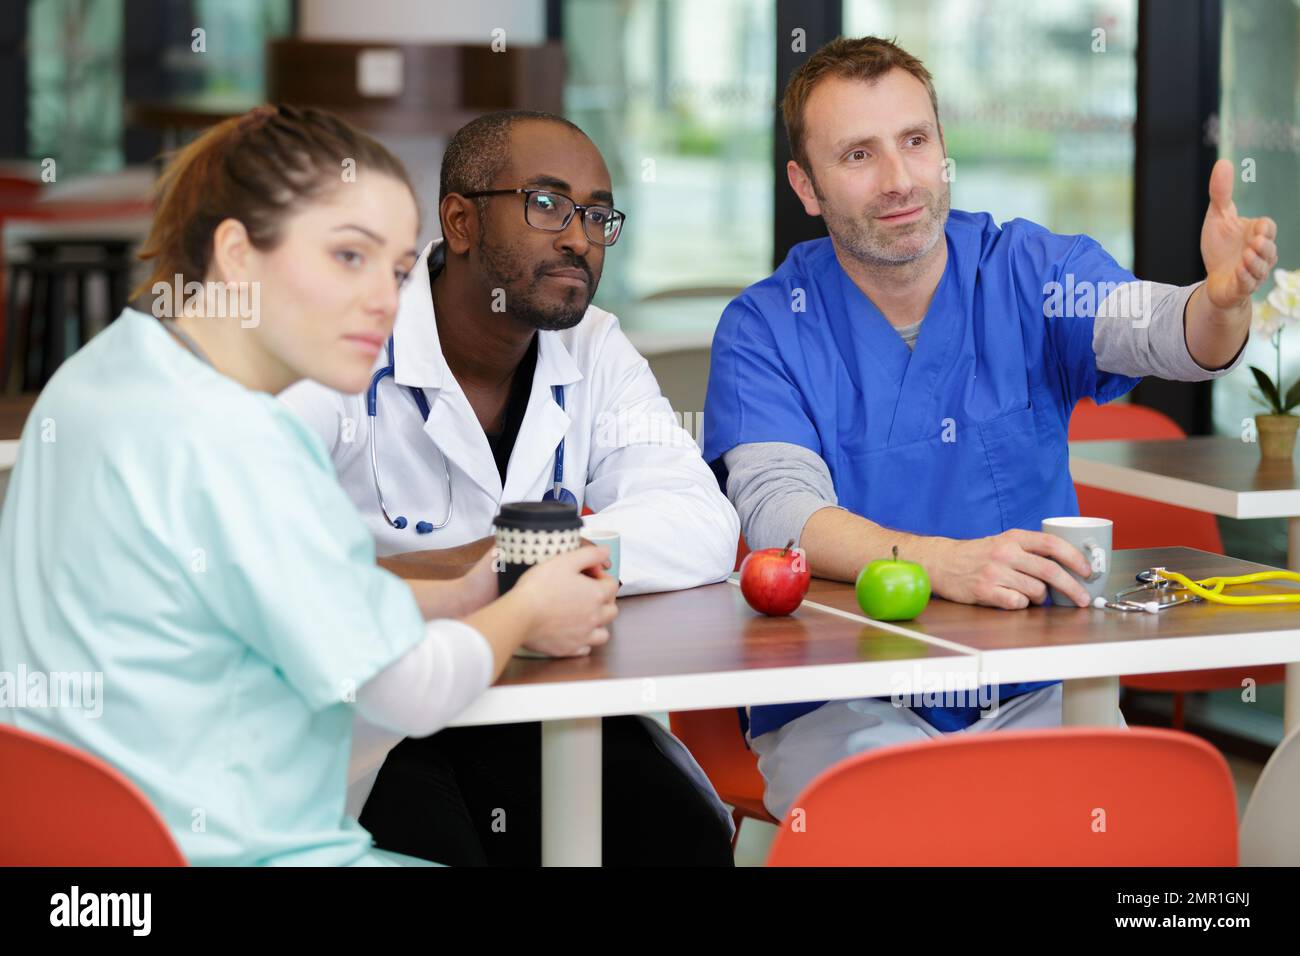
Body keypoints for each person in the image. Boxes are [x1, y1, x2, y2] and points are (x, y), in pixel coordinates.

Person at [0, 105, 617, 866]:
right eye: (347, 258)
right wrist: (527, 610)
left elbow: (301, 604)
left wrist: (472, 588)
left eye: (395, 271)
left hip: (80, 853)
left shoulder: (101, 376)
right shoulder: (246, 439)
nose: (385, 302)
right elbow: (409, 690)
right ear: (237, 254)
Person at [703, 37, 1278, 819]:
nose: (899, 180)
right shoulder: (767, 327)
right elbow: (783, 516)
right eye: (858, 155)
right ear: (806, 186)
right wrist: (946, 564)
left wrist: (1218, 303)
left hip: (1040, 683)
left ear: (942, 150)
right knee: (912, 829)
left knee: (1141, 824)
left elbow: (1156, 331)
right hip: (842, 699)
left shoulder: (1028, 271)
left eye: (915, 141)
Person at [280, 110, 740, 866]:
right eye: (548, 204)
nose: (579, 238)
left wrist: (526, 566)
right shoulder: (351, 339)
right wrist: (512, 584)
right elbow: (283, 571)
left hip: (541, 700)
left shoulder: (594, 345)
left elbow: (698, 516)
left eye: (596, 214)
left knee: (681, 835)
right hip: (377, 717)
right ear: (460, 220)